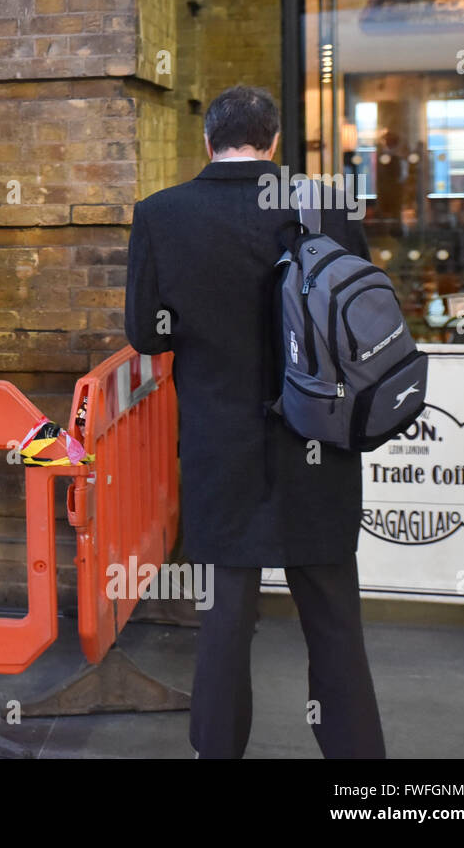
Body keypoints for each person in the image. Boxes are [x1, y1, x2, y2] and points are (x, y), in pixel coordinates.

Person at [124, 85, 387, 758]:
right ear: (274, 141)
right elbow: (360, 322)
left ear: (207, 141)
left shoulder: (162, 214)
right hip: (320, 441)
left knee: (224, 625)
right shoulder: (327, 205)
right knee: (334, 623)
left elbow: (146, 336)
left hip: (222, 449)